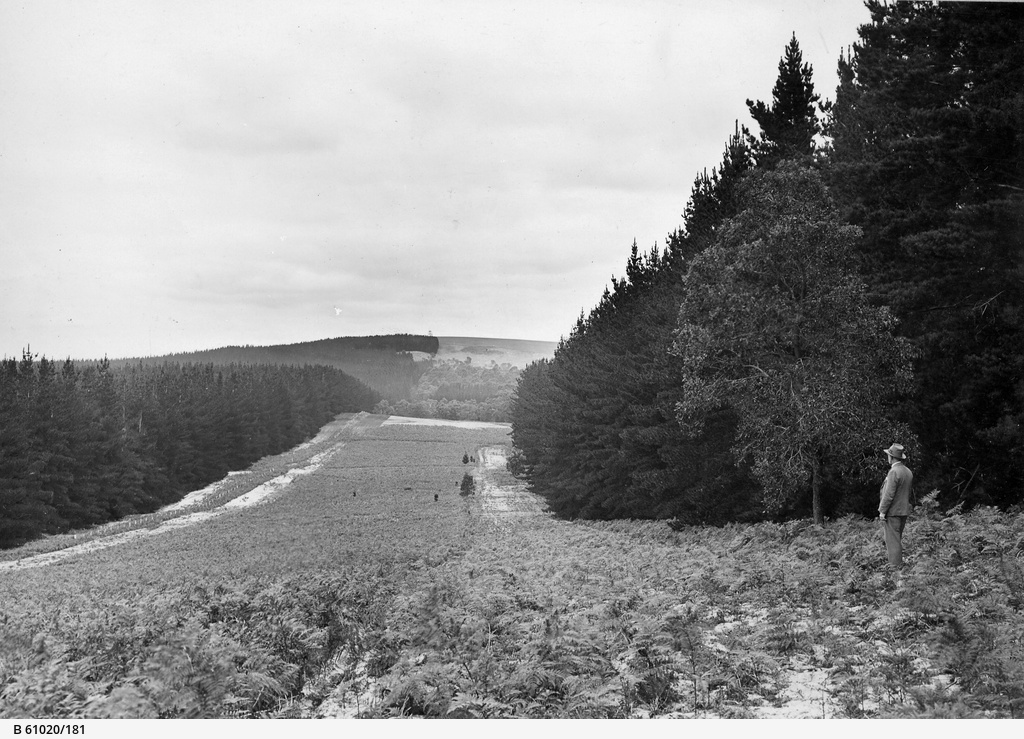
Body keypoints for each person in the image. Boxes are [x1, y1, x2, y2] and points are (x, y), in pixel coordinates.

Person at [879, 443, 914, 575]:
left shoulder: (894, 472)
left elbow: (889, 494)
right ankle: (898, 570)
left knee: (892, 543)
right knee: (897, 540)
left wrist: (882, 511)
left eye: (888, 455)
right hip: (903, 510)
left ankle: (895, 572)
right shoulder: (908, 471)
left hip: (892, 512)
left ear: (892, 457)